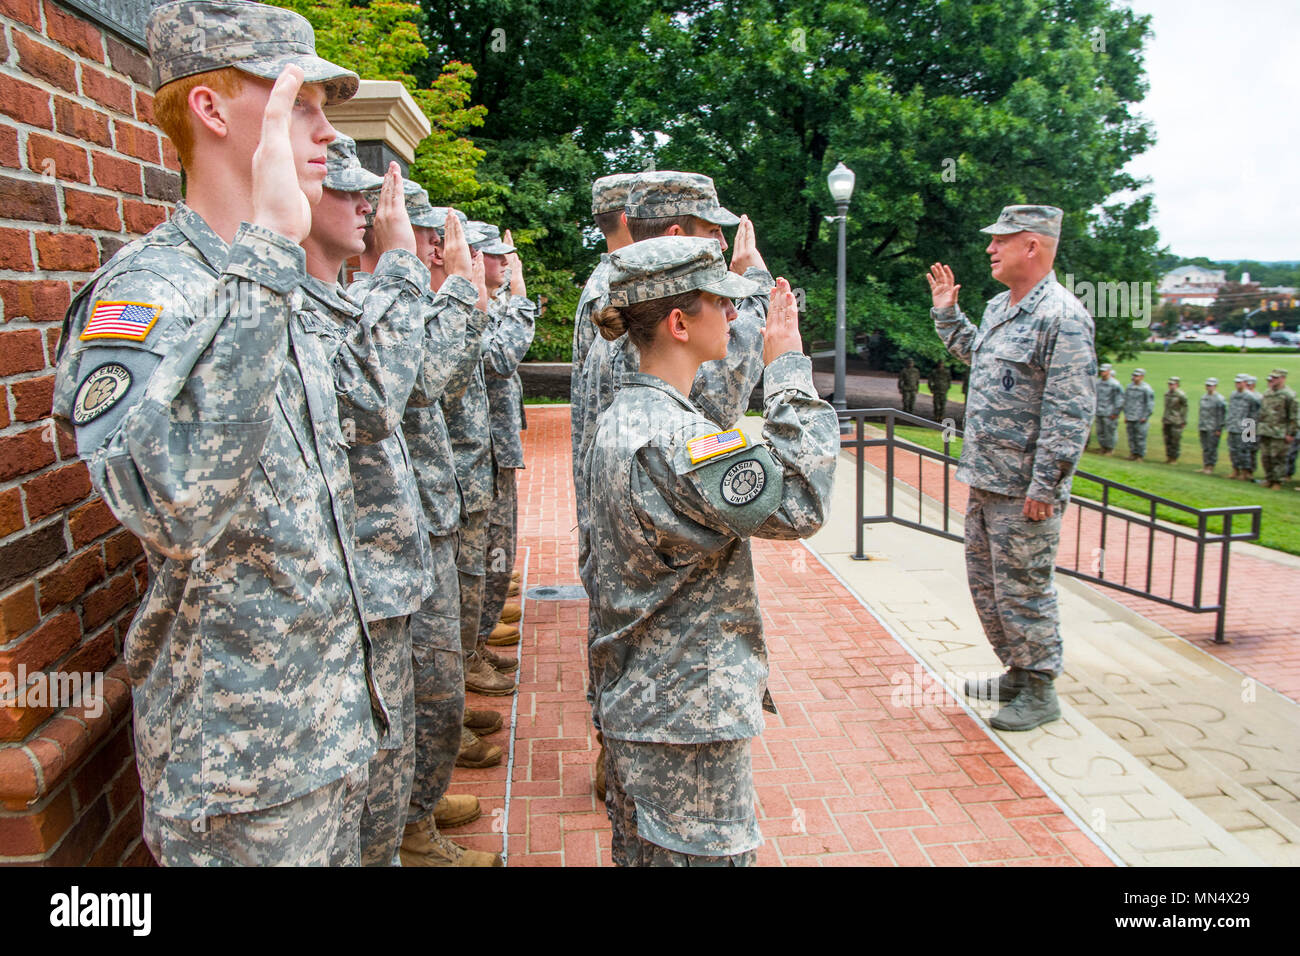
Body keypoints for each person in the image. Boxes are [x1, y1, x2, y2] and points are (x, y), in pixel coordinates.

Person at [51, 0, 384, 865]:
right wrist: (273, 253)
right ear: (211, 109)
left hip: (330, 733)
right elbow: (176, 507)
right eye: (298, 101)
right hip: (240, 775)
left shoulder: (279, 282)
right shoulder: (150, 294)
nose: (324, 129)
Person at [583, 236, 838, 866]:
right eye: (720, 304)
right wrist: (787, 369)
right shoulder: (676, 439)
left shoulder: (629, 416)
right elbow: (802, 499)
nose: (733, 316)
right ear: (678, 323)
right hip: (682, 725)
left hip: (648, 709)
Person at [575, 170, 772, 801]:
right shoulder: (650, 308)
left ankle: (623, 758)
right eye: (712, 233)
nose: (722, 243)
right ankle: (632, 765)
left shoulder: (614, 290)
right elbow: (714, 407)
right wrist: (759, 301)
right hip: (660, 563)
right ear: (681, 234)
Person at [298, 141, 439, 866]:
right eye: (345, 190)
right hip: (337, 614)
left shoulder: (334, 303)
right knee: (365, 806)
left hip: (379, 588)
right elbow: (379, 399)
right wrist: (402, 267)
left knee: (383, 795)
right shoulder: (294, 303)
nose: (366, 207)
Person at [927, 204, 1096, 732]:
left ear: (1034, 246)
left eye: (1003, 240)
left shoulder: (1063, 317)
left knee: (1025, 586)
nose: (990, 248)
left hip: (1025, 489)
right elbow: (978, 356)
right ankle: (1018, 672)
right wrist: (946, 314)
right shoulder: (1003, 307)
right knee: (989, 585)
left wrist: (1047, 485)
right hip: (986, 476)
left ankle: (1041, 687)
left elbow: (1070, 412)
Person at [471, 224, 536, 656]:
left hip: (494, 448)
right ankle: (475, 639)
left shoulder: (485, 306)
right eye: (497, 256)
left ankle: (481, 626)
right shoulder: (468, 308)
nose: (506, 263)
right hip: (478, 456)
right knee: (485, 549)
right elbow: (500, 357)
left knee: (497, 546)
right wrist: (522, 299)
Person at [1257, 368, 1298, 489]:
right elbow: (1262, 412)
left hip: (1280, 432)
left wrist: (1291, 433)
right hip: (1265, 430)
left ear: (1283, 379)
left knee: (1278, 457)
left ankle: (1277, 481)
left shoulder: (1289, 395)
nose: (1273, 380)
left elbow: (1294, 416)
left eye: (1276, 378)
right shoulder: (1267, 393)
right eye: (1272, 378)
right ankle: (1269, 478)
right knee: (1266, 456)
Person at [1226, 373, 1259, 479]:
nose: (1237, 385)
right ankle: (1236, 470)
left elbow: (1255, 414)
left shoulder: (1251, 397)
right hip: (1233, 426)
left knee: (1245, 451)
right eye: (1236, 382)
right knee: (1233, 450)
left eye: (1240, 382)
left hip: (1247, 427)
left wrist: (1251, 430)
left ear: (1245, 383)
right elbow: (1231, 411)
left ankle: (1246, 472)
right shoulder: (1233, 395)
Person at [1123, 368, 1155, 460]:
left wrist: (1145, 416)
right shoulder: (1129, 387)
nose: (1134, 377)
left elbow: (1149, 404)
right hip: (1130, 416)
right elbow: (1126, 401)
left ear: (1142, 377)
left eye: (1137, 376)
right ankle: (1133, 453)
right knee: (1131, 436)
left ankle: (1140, 455)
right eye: (1133, 375)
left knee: (1140, 437)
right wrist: (1126, 414)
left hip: (1140, 417)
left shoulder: (1146, 388)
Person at [1198, 377, 1227, 475]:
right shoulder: (1203, 397)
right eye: (1207, 385)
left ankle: (1210, 466)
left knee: (1212, 447)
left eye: (1211, 385)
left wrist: (1219, 428)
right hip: (1203, 425)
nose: (1209, 387)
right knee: (1205, 447)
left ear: (1215, 386)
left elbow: (1221, 414)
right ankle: (1205, 465)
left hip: (1213, 427)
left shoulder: (1219, 399)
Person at [1093, 363, 1124, 454]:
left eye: (1104, 371)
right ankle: (1103, 447)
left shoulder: (1115, 384)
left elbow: (1119, 399)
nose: (1102, 373)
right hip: (1099, 411)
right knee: (1100, 431)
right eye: (1101, 371)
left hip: (1109, 412)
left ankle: (1110, 449)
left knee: (1109, 431)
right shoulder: (1098, 383)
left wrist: (1116, 412)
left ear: (1109, 371)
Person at [1161, 375, 1187, 463]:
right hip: (1167, 419)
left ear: (1177, 385)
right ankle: (1168, 456)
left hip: (1176, 421)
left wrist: (1183, 420)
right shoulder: (1167, 394)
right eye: (1169, 384)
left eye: (1172, 384)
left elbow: (1185, 407)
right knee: (1167, 439)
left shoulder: (1181, 395)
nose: (1171, 386)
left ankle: (1174, 458)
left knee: (1175, 440)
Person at [1245, 375, 1262, 475]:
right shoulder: (1244, 395)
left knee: (1251, 449)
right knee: (1244, 448)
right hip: (1245, 425)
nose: (1248, 386)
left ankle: (1250, 470)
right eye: (1247, 384)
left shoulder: (1258, 397)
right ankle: (1243, 469)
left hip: (1252, 425)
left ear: (1254, 385)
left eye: (1250, 384)